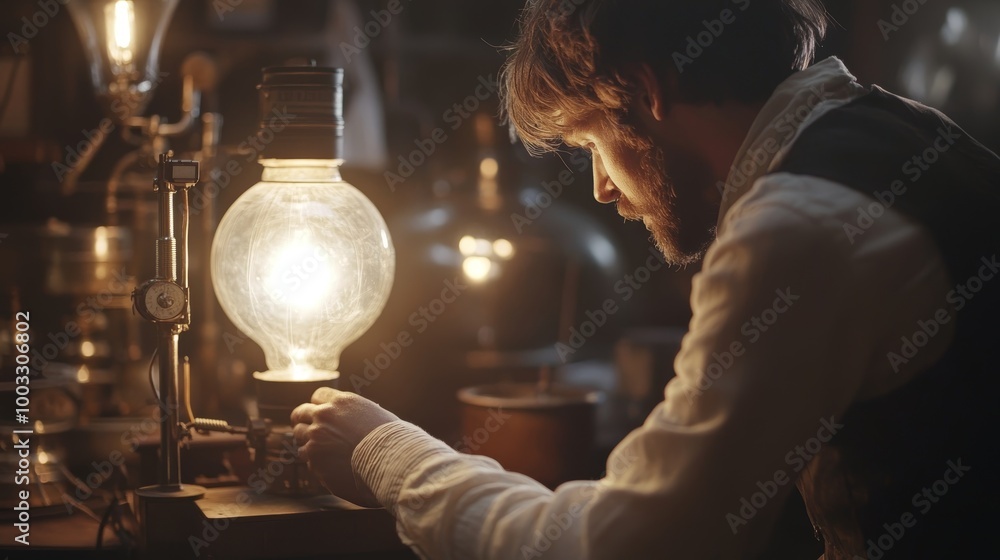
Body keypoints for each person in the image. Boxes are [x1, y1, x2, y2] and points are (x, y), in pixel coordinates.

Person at [291, 0, 1000, 558]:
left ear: (641, 88)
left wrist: (385, 451)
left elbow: (631, 548)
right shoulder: (908, 134)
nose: (601, 188)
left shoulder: (798, 227)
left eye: (591, 142)